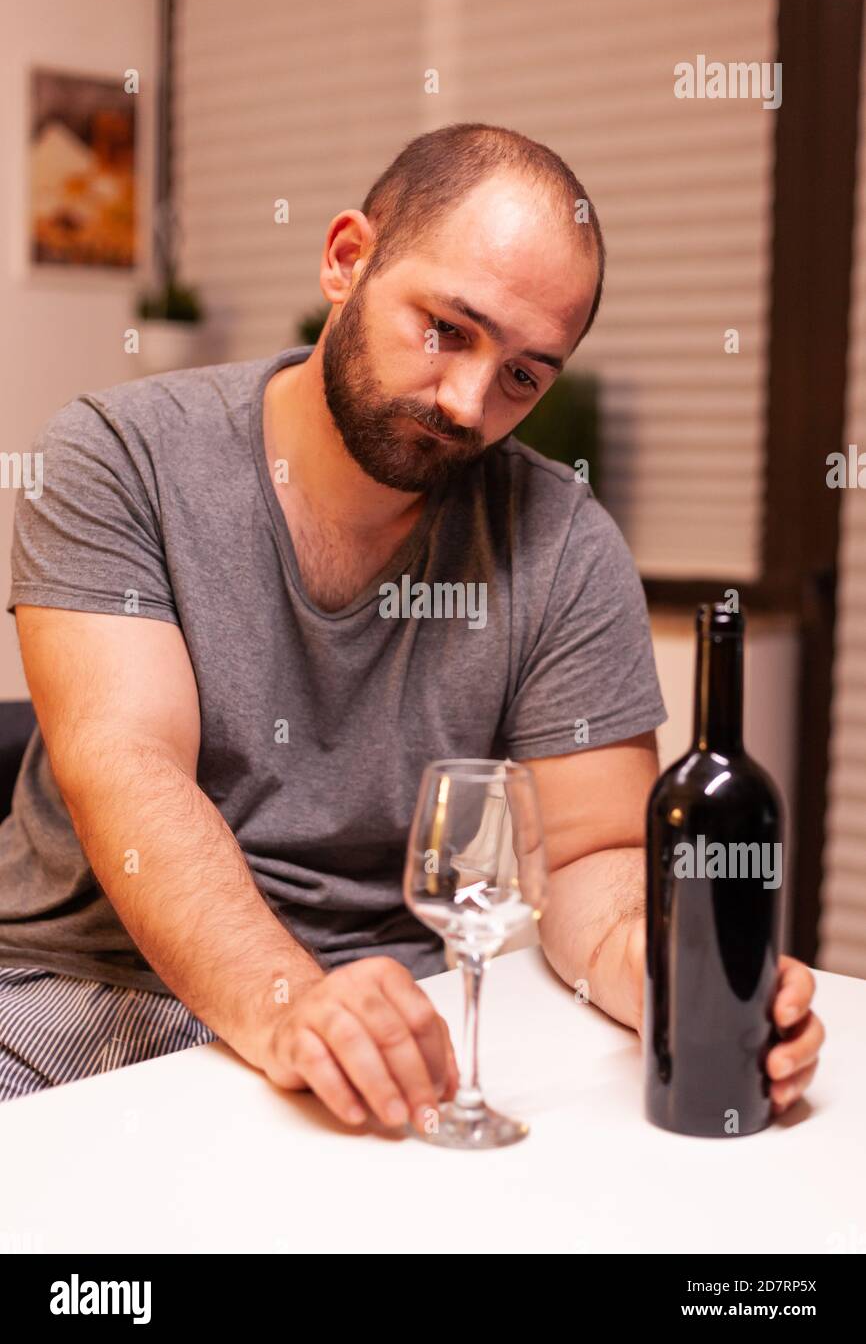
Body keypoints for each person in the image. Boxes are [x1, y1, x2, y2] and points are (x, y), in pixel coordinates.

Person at [0, 122, 823, 1126]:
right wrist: (289, 1003)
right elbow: (128, 768)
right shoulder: (116, 458)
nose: (469, 403)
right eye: (447, 329)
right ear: (346, 259)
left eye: (523, 374)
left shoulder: (560, 543)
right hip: (76, 999)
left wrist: (661, 979)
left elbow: (585, 857)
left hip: (393, 1020)